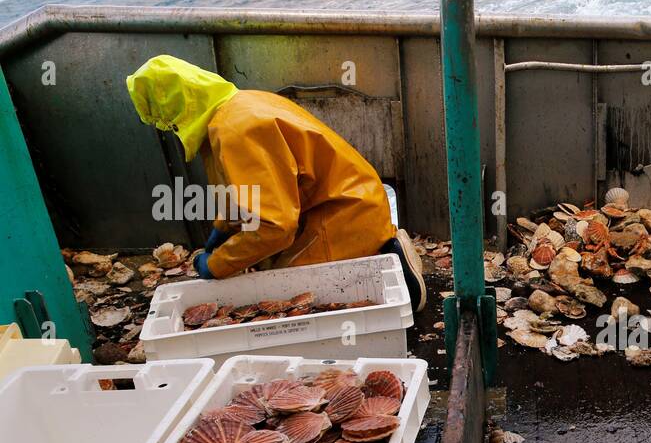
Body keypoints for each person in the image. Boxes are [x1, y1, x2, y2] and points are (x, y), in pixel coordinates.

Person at [126, 55, 426, 311]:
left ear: (175, 112)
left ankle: (393, 273)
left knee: (291, 301)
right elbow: (250, 190)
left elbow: (275, 227)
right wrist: (223, 230)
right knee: (265, 270)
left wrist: (217, 265)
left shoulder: (236, 130)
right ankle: (376, 251)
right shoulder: (239, 106)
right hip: (343, 201)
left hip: (344, 215)